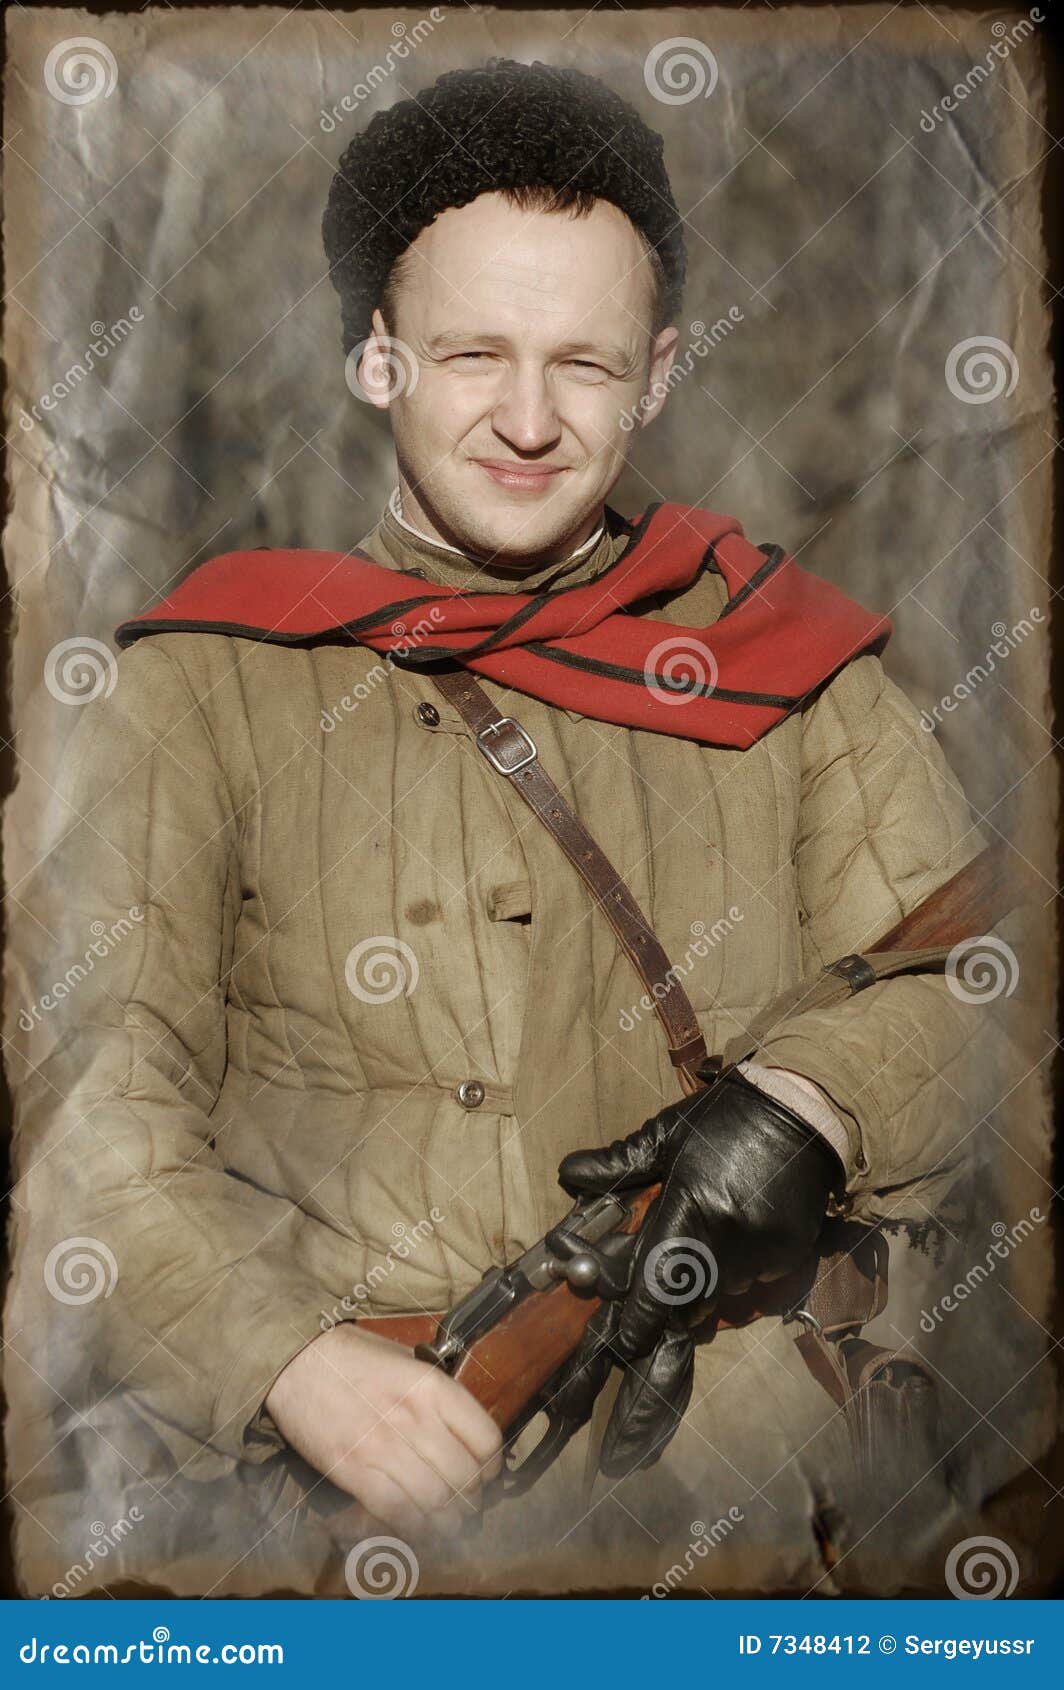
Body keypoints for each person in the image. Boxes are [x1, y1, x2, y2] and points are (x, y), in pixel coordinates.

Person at [4, 58, 1027, 1599]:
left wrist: (818, 1100)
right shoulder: (203, 686)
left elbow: (984, 983)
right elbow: (90, 1102)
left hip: (738, 1520)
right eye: (474, 352)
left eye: (586, 364)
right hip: (321, 1519)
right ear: (377, 360)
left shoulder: (797, 664)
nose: (530, 420)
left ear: (662, 373)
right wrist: (284, 1359)